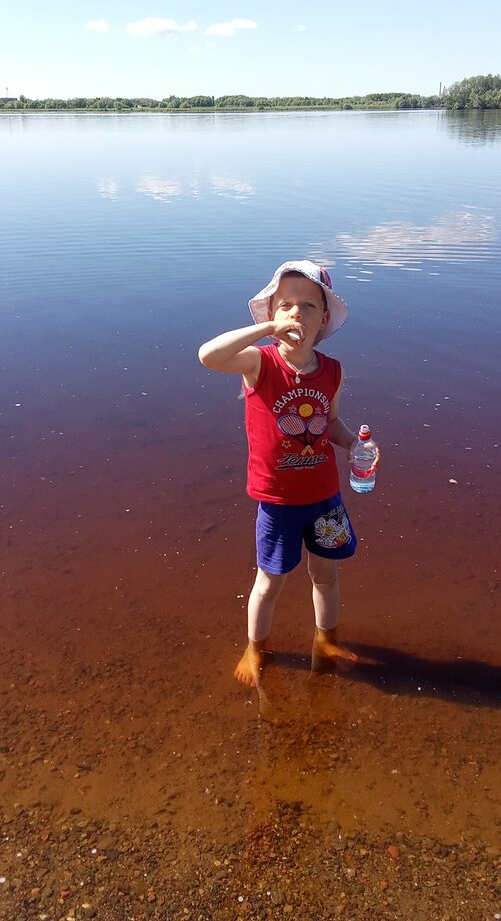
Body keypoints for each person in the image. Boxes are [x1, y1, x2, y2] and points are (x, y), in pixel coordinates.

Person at [198, 260, 374, 688]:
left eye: (308, 306)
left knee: (326, 575)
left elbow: (330, 423)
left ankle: (326, 639)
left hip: (325, 498)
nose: (296, 313)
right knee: (269, 582)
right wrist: (264, 331)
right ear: (273, 311)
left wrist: (354, 445)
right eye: (286, 305)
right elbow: (208, 356)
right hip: (277, 502)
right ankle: (255, 648)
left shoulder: (332, 371)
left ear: (324, 318)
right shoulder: (259, 364)